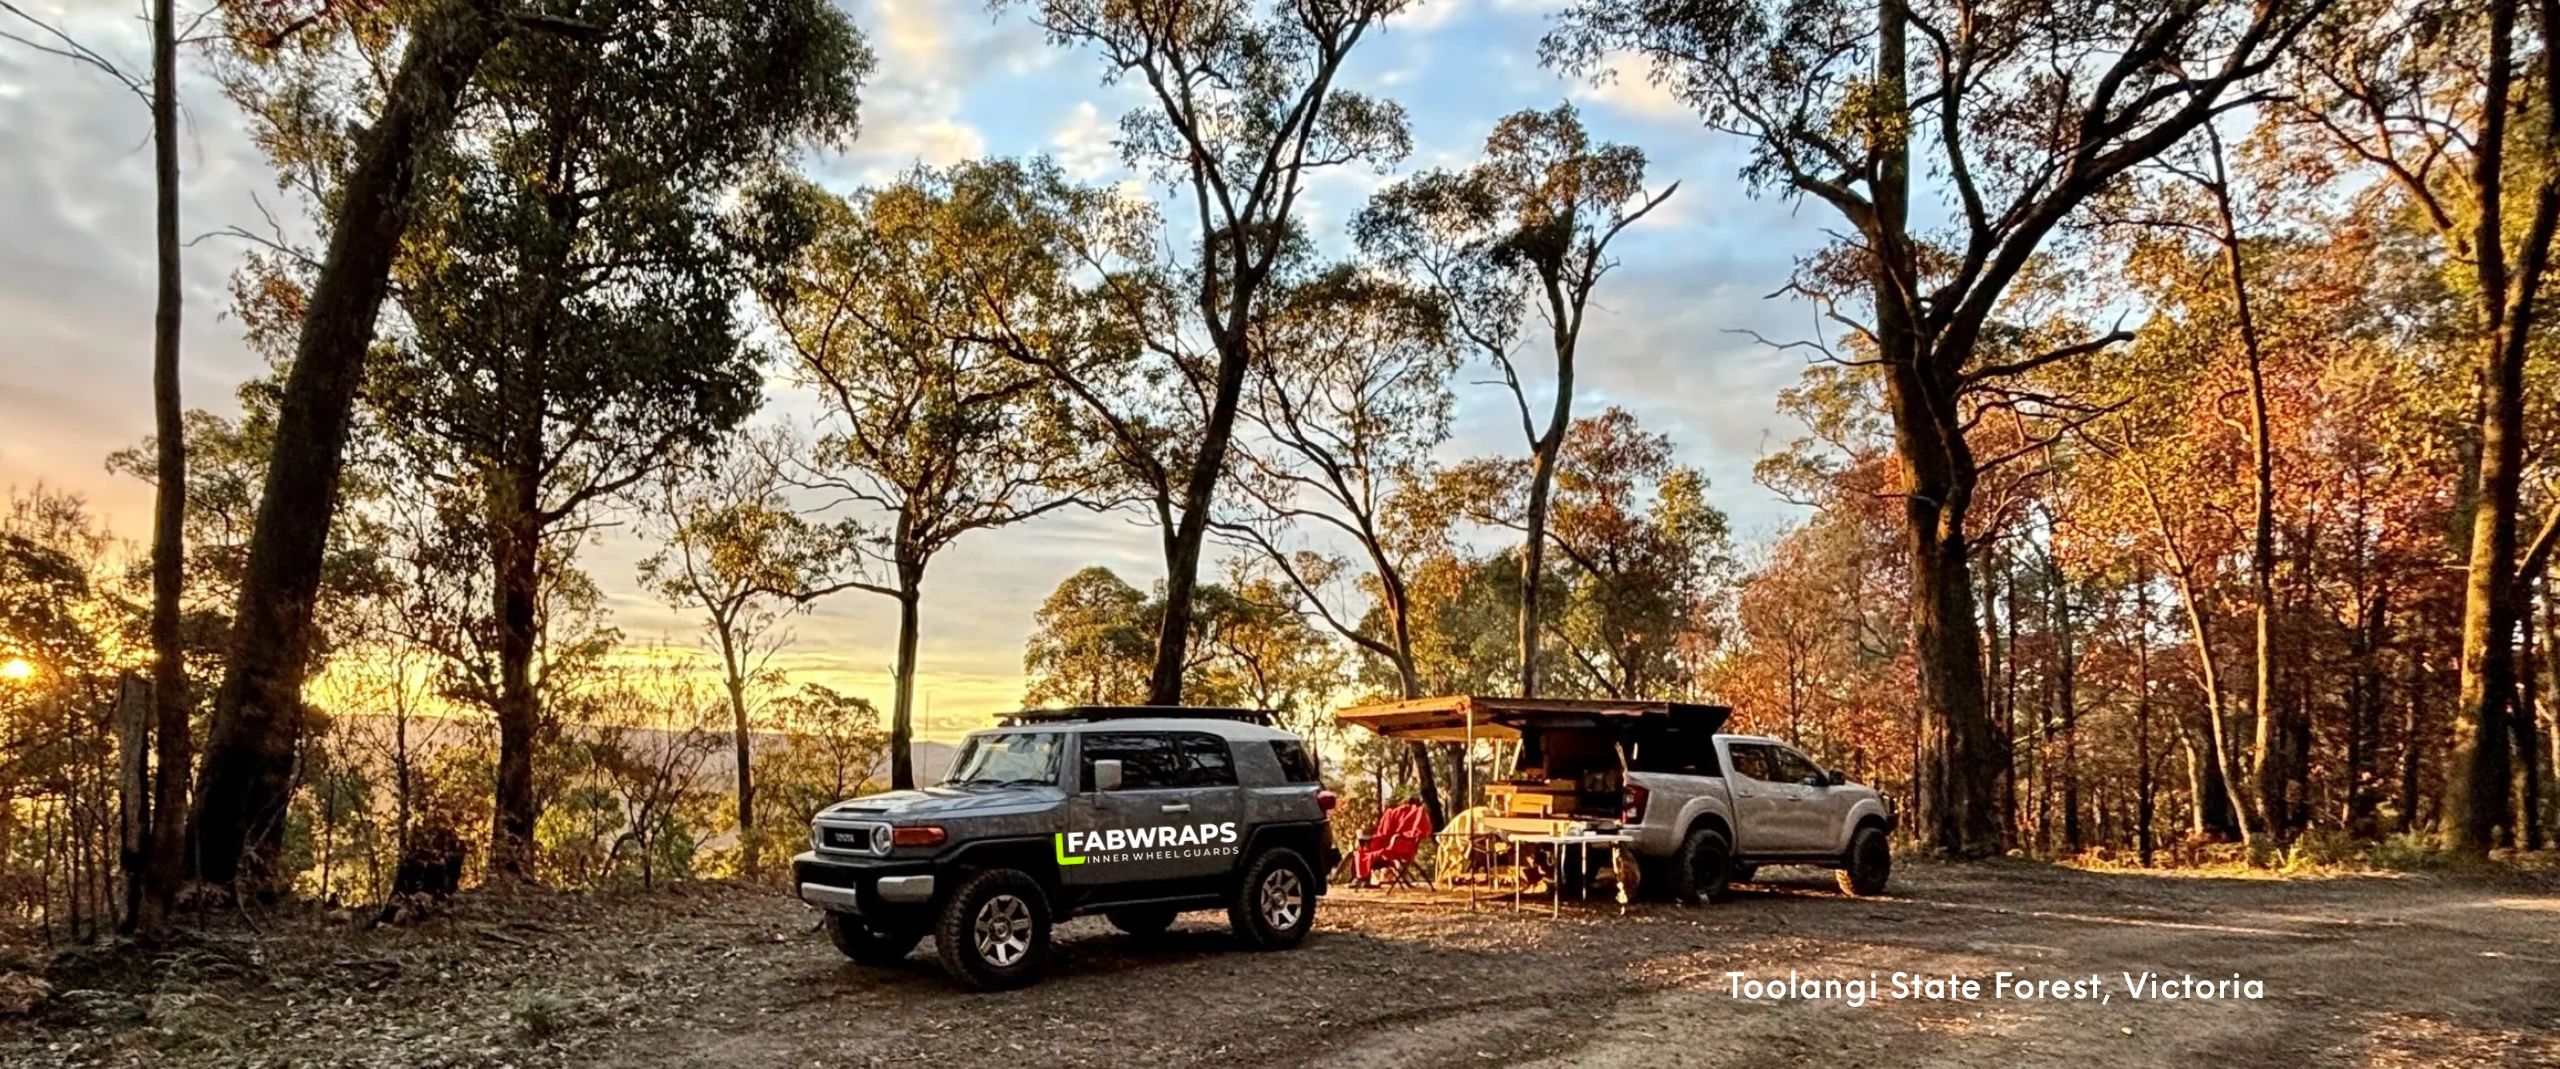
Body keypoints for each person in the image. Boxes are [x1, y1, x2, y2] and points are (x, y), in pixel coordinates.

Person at [1352, 795, 1433, 886]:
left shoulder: (1418, 813)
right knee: (1361, 852)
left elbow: (1417, 832)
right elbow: (1384, 833)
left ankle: (1362, 879)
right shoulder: (1392, 813)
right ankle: (1363, 879)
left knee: (1369, 853)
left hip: (1401, 848)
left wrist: (1396, 840)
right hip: (1390, 845)